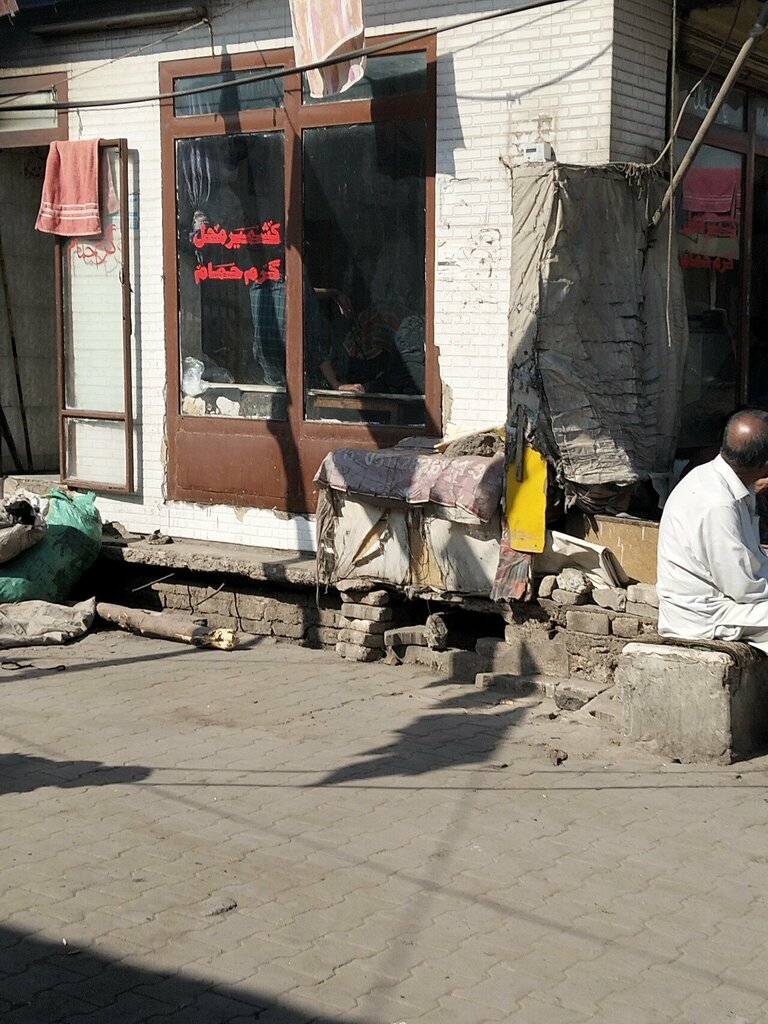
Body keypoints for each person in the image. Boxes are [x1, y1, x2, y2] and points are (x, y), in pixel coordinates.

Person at [657, 408, 768, 652]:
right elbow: (742, 587)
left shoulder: (720, 480)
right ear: (764, 466)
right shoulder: (719, 504)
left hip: (723, 601)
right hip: (703, 614)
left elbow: (750, 564)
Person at [249, 274, 362, 391]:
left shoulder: (256, 288)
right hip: (304, 385)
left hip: (269, 382)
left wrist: (331, 293)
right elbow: (316, 344)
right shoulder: (298, 290)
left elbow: (294, 291)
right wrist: (336, 383)